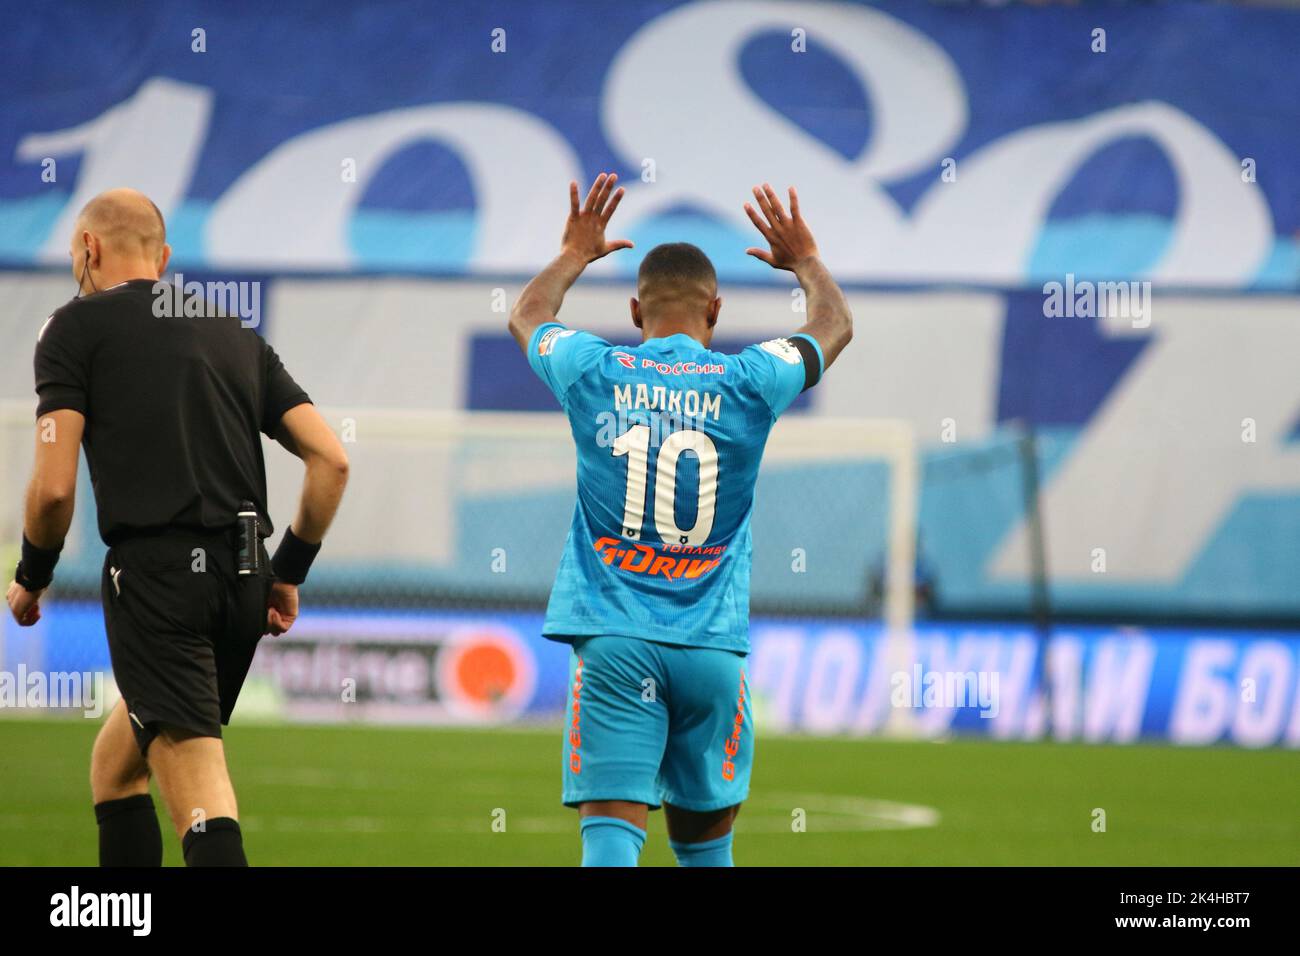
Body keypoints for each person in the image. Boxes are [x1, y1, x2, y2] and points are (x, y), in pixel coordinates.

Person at [508, 173, 853, 866]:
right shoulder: (750, 380)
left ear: (636, 311)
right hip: (712, 653)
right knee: (705, 855)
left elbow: (526, 318)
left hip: (615, 642)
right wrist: (806, 261)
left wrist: (574, 254)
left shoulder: (592, 369)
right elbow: (833, 328)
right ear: (716, 311)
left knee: (610, 845)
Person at [5, 188, 349, 866]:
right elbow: (331, 461)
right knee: (117, 765)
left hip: (162, 582)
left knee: (198, 790)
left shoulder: (73, 329)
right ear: (162, 258)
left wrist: (30, 578)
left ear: (88, 249)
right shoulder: (232, 331)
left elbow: (51, 491)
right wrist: (287, 572)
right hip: (245, 579)